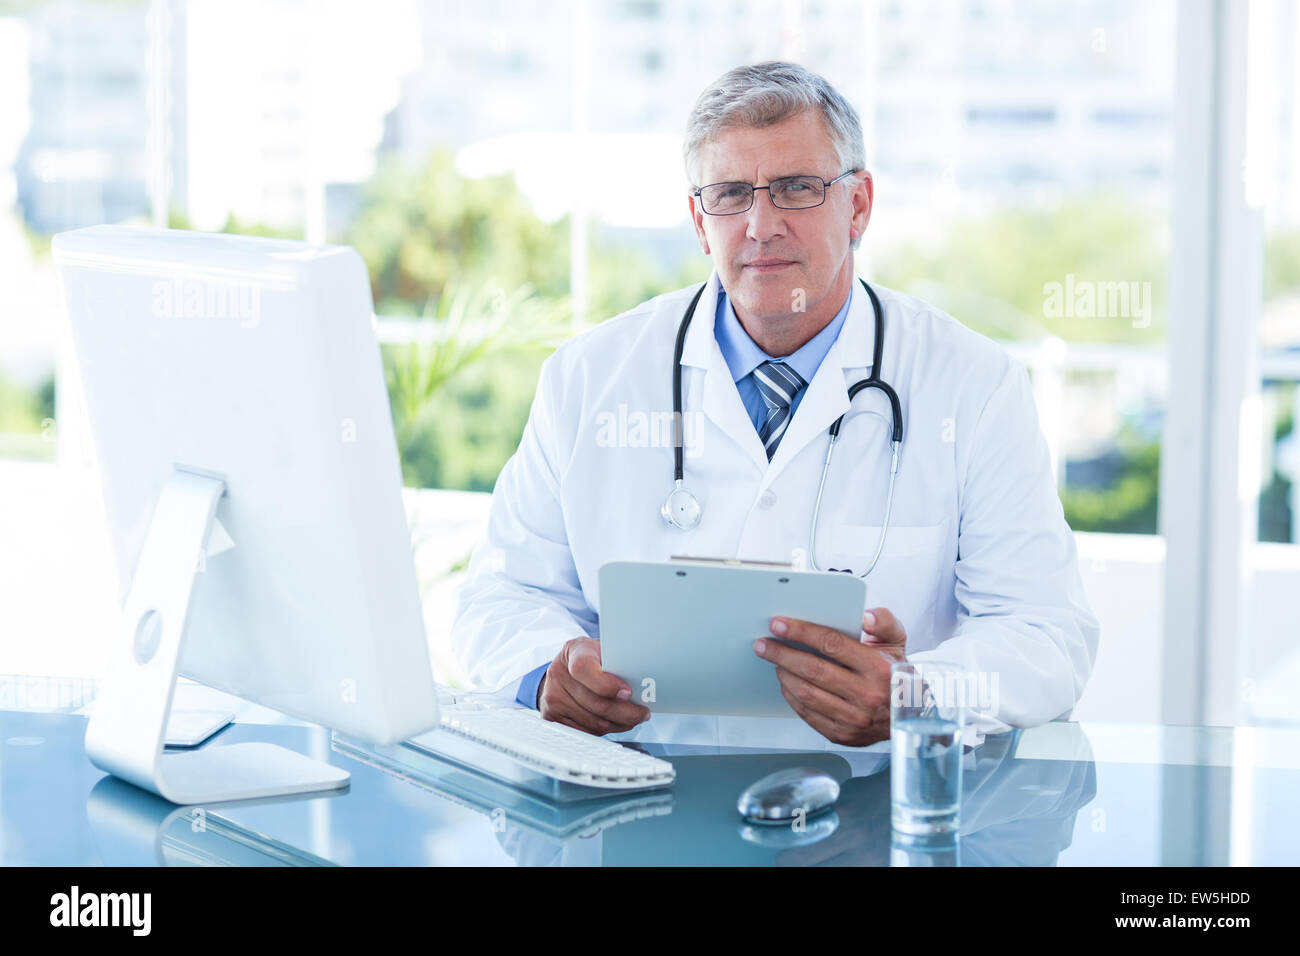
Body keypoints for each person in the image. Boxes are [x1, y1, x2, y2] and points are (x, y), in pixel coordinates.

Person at [451, 61, 1098, 748]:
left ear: (859, 205)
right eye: (731, 194)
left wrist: (917, 694)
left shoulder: (974, 385)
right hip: (639, 801)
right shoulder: (587, 379)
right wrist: (547, 676)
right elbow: (500, 595)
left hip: (875, 806)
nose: (761, 225)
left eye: (796, 188)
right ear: (700, 221)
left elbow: (1046, 633)